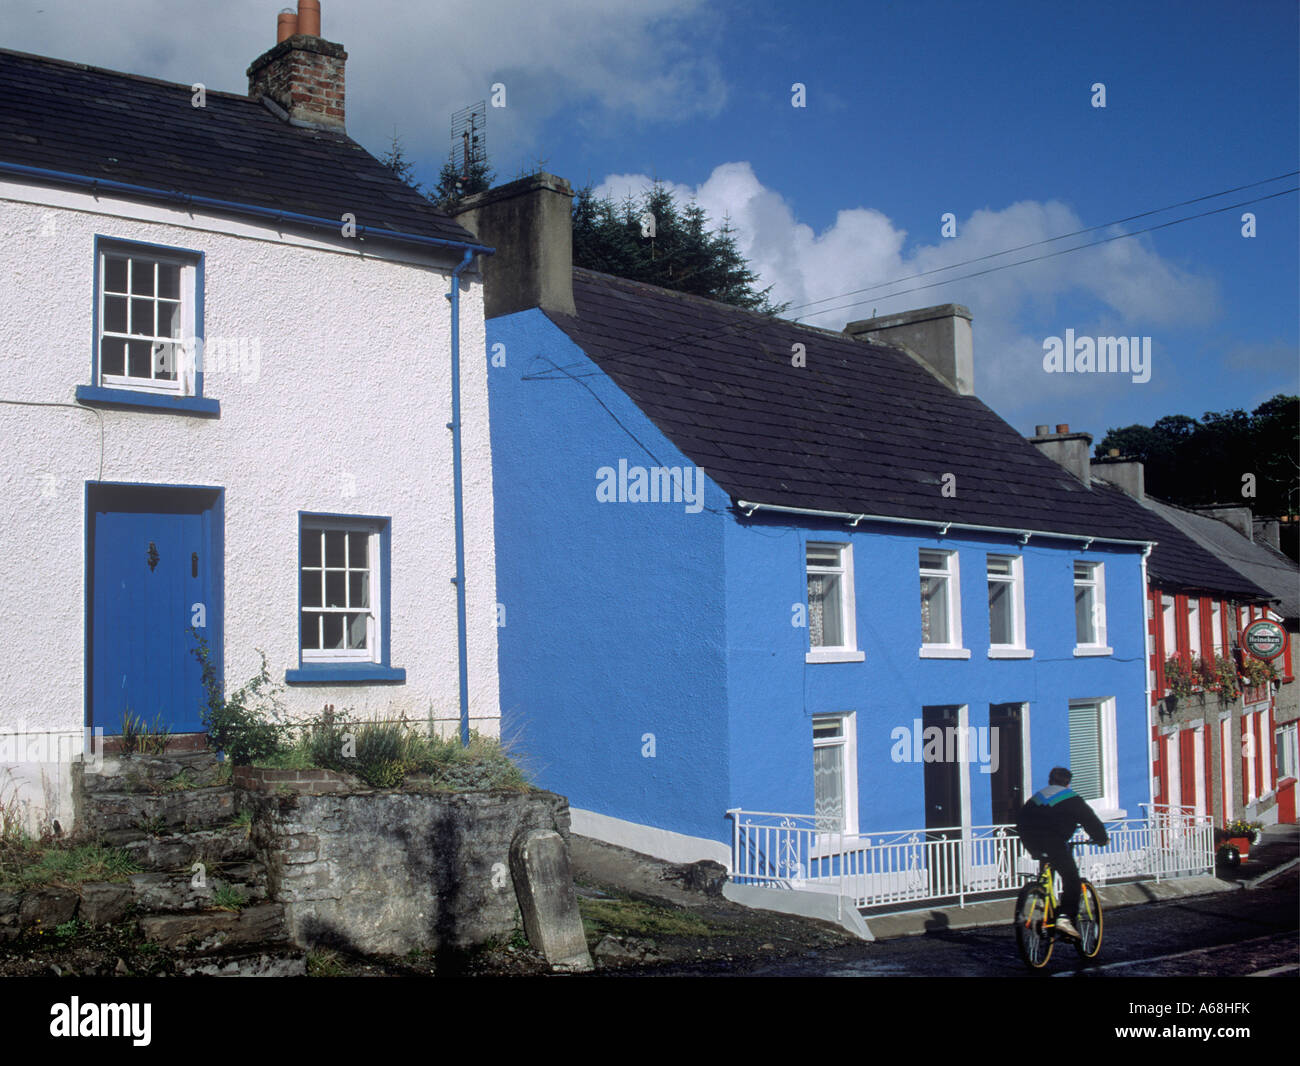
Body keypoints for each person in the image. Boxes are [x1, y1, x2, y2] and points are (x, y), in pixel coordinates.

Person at [1015, 767, 1109, 940]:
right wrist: (1101, 838)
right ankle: (1064, 918)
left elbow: (1020, 819)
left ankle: (1042, 902)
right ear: (1067, 782)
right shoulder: (1072, 799)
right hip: (1054, 842)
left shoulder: (1035, 798)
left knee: (1047, 871)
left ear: (1050, 780)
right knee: (1071, 878)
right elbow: (1090, 820)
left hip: (1031, 840)